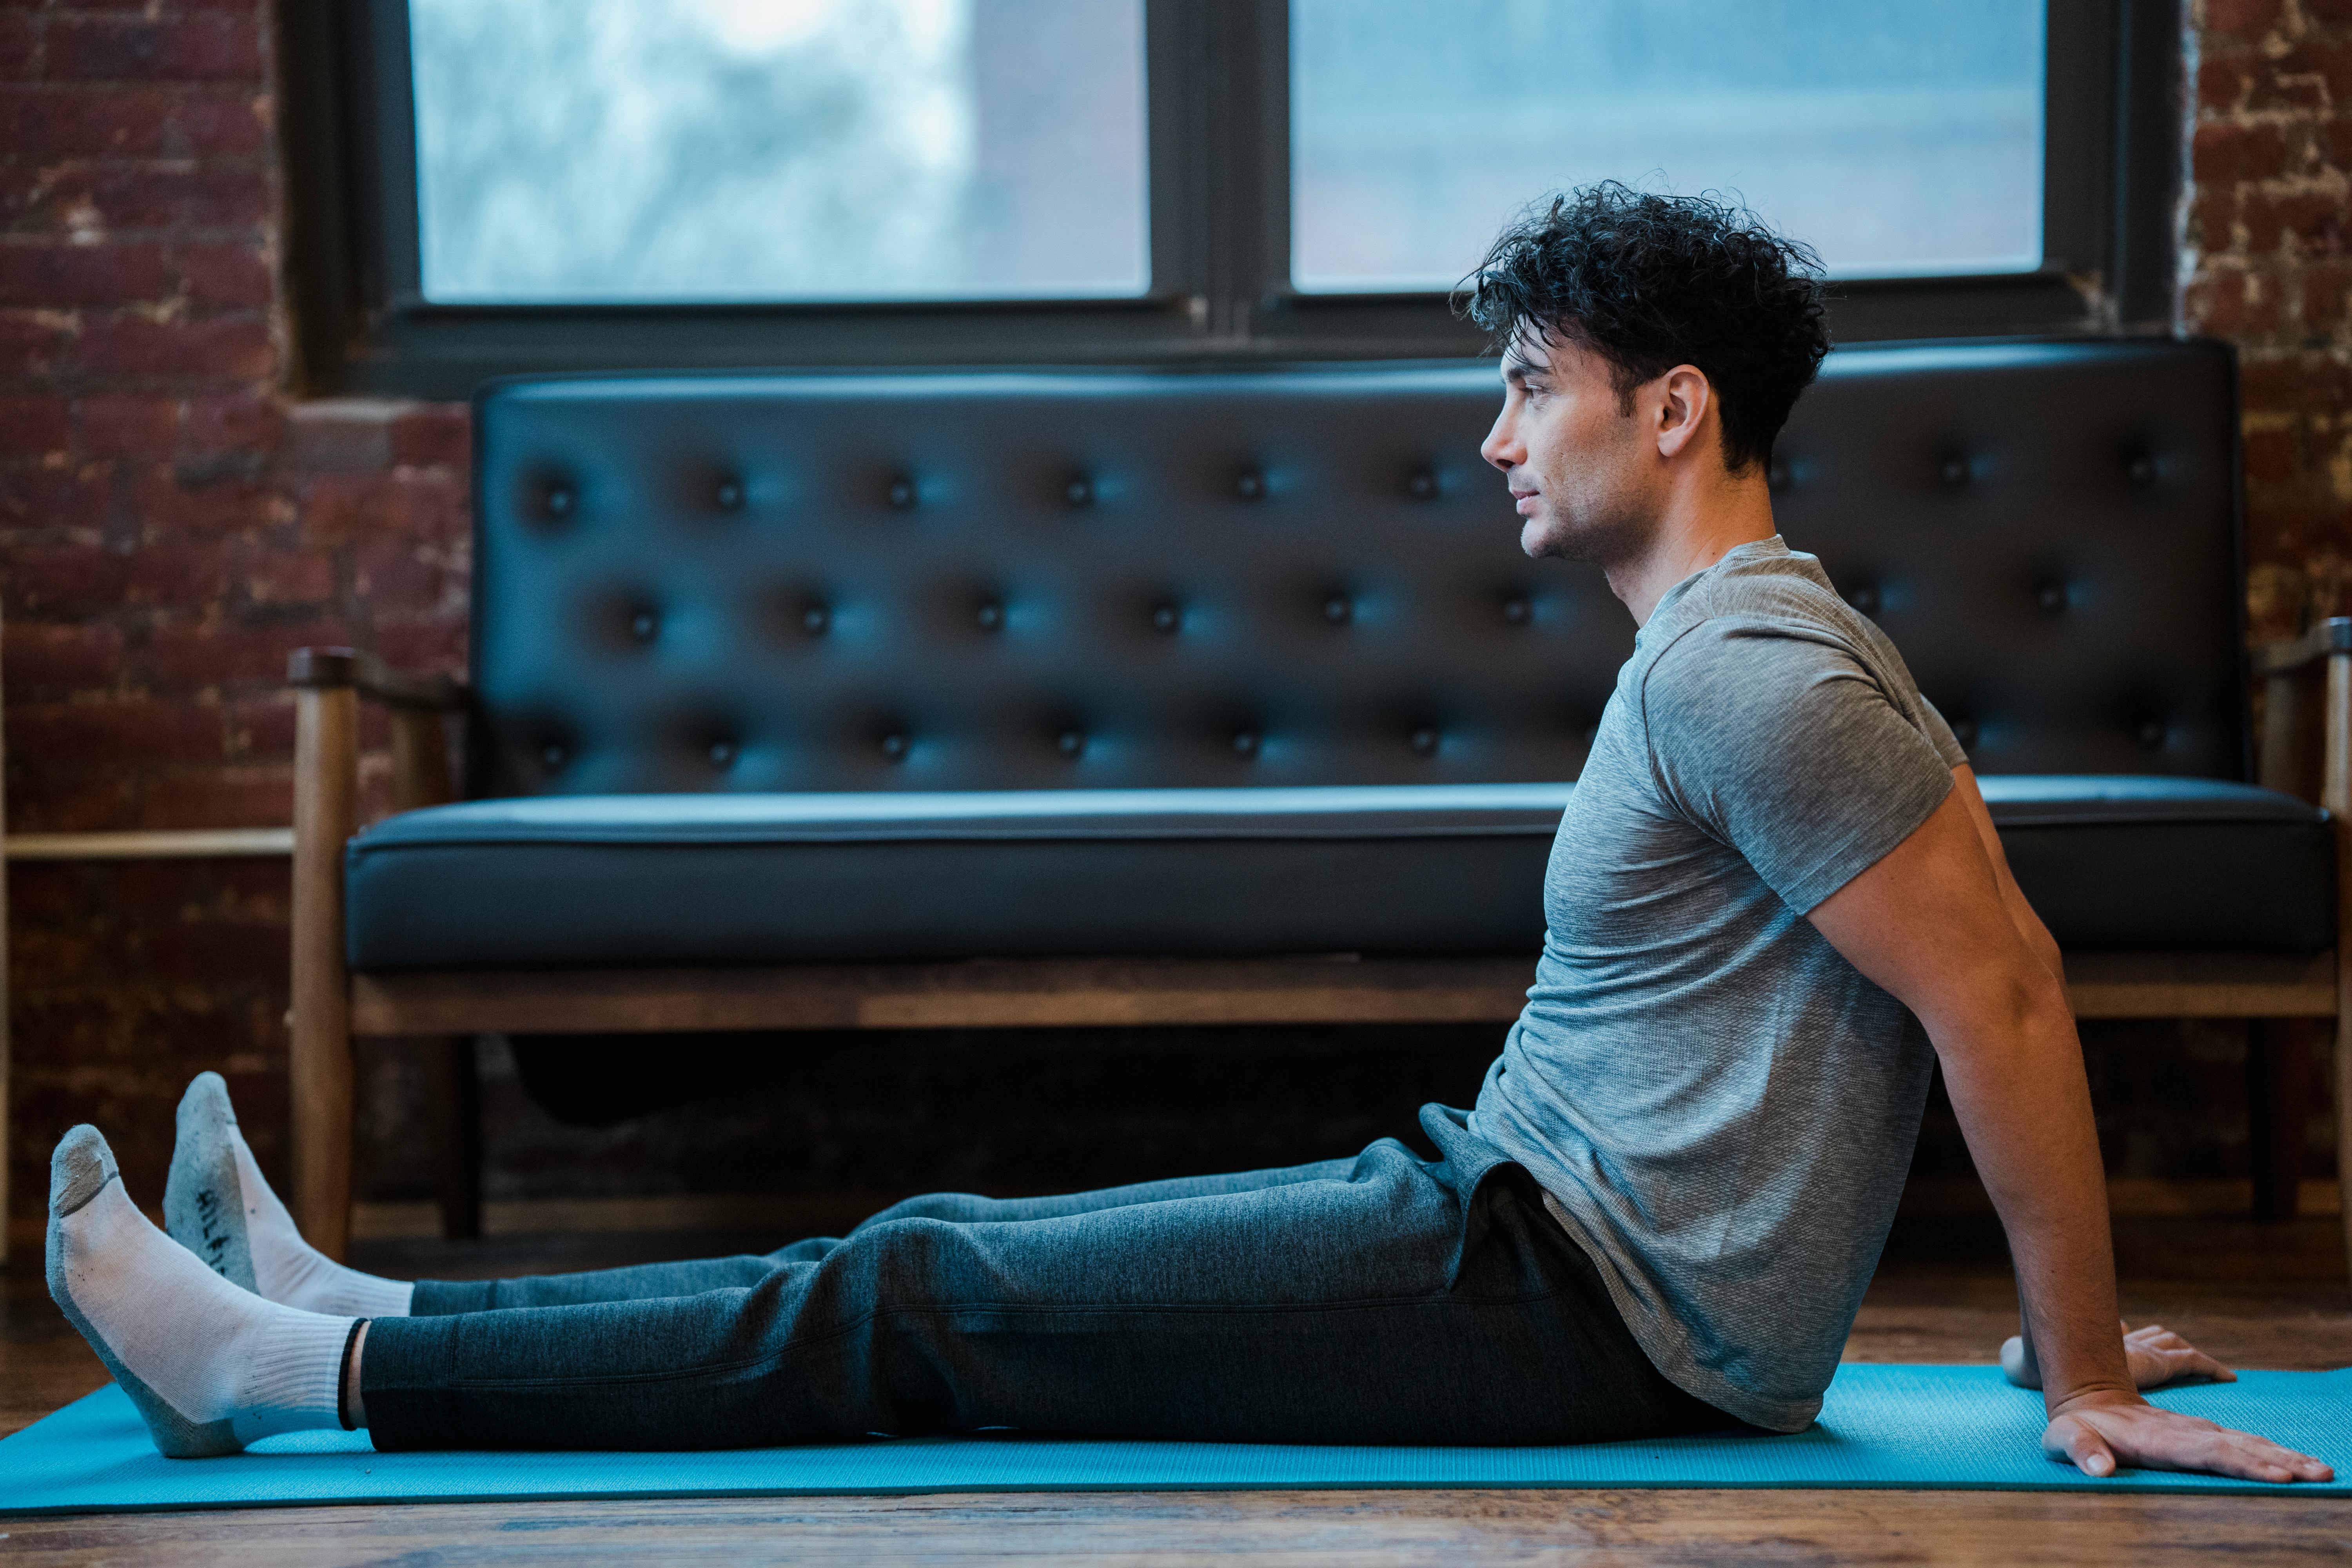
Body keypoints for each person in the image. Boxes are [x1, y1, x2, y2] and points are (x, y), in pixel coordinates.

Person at [46, 184, 2330, 1483]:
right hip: (1514, 1223)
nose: (1493, 433)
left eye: (1527, 383)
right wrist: (2056, 1331)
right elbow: (1964, 958)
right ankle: (358, 1302)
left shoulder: (1753, 670)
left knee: (924, 1295)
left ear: (1671, 406)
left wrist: (2084, 1367)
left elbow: (2000, 983)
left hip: (1577, 1301)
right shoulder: (1759, 642)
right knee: (933, 1253)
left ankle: (285, 1375)